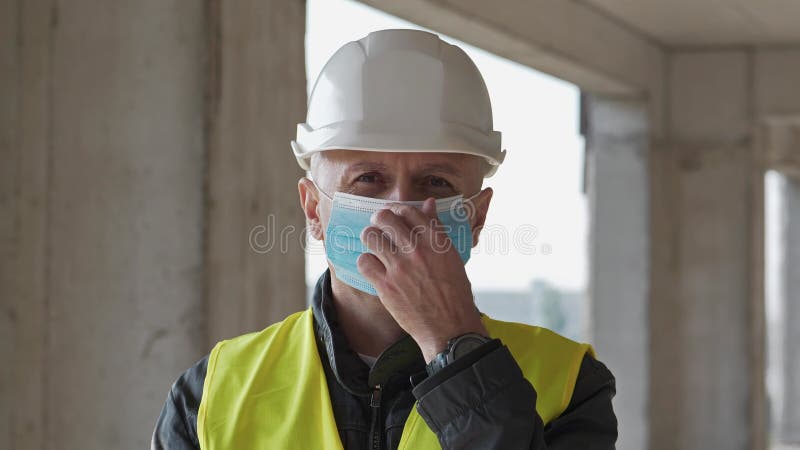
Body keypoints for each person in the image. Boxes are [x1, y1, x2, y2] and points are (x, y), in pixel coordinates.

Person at [152, 28, 617, 450]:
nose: (398, 207)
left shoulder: (568, 385)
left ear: (476, 217)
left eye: (436, 182)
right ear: (315, 209)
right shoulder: (213, 397)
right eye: (368, 179)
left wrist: (455, 347)